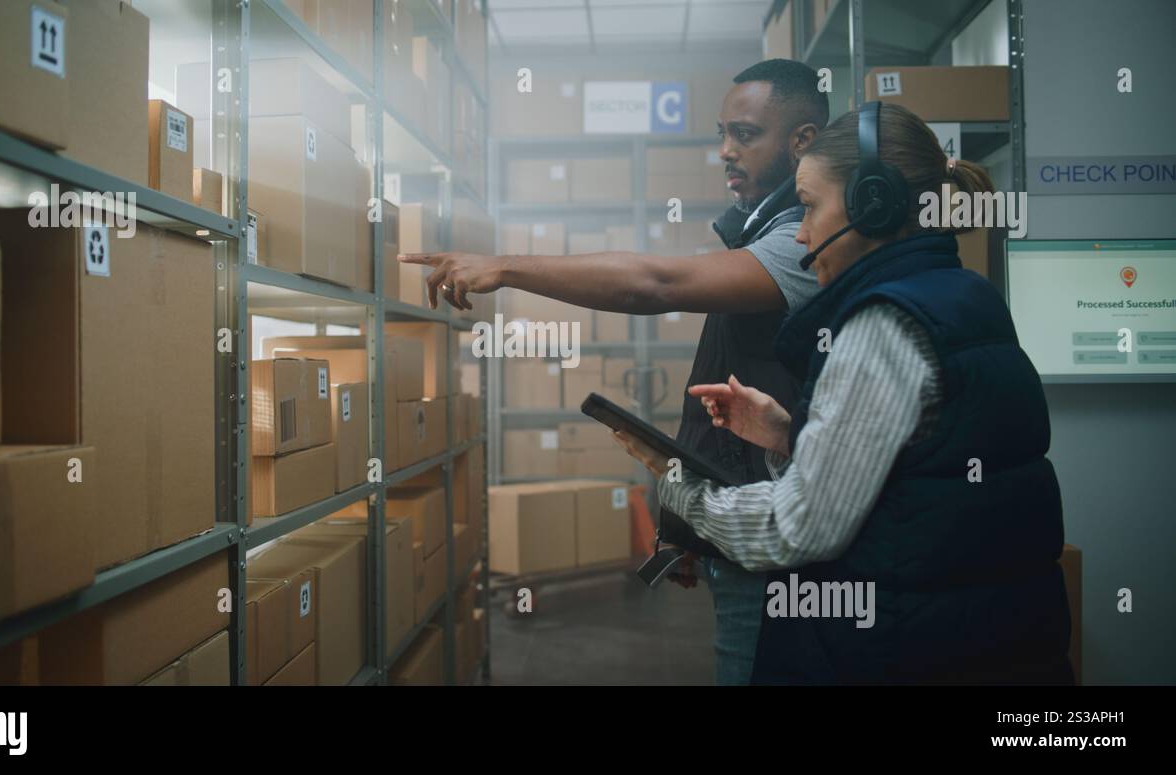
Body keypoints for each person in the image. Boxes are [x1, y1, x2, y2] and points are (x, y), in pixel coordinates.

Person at [614, 101, 1074, 685]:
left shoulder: (883, 326)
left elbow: (794, 528)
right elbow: (922, 469)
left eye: (808, 207)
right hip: (987, 645)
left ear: (871, 204)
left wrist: (680, 487)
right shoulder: (962, 296)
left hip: (909, 653)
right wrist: (791, 434)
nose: (802, 234)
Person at [401, 60, 828, 686]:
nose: (724, 151)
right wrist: (689, 527)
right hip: (739, 532)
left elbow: (656, 284)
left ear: (802, 141)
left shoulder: (801, 241)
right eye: (721, 134)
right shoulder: (762, 232)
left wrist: (506, 267)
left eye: (744, 134)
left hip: (767, 553)